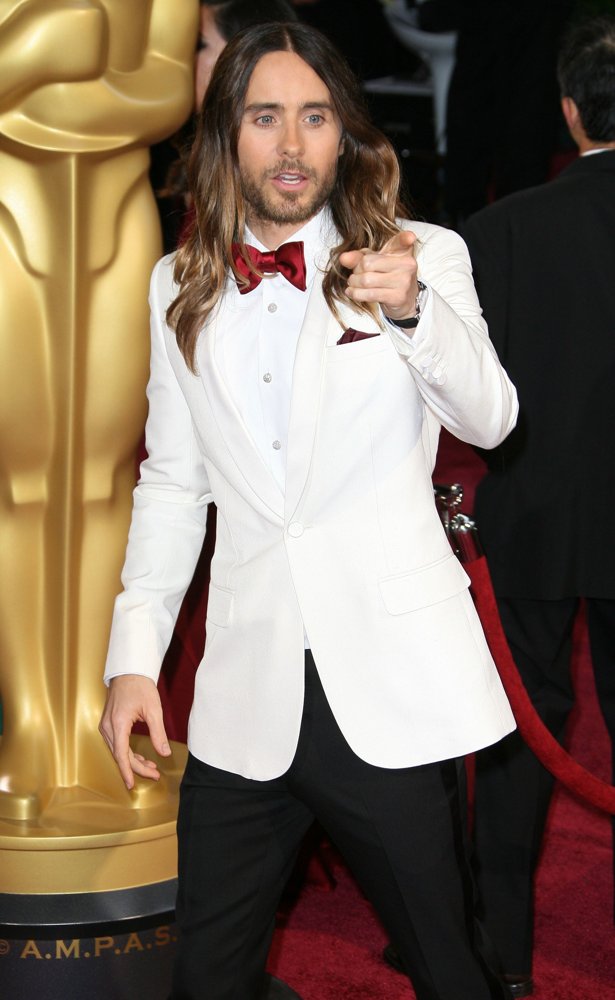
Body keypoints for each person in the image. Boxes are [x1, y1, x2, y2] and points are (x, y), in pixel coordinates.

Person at [99, 21, 519, 1000]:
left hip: (385, 687)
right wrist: (133, 658)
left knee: (448, 968)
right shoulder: (179, 289)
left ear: (345, 136)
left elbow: (493, 421)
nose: (292, 145)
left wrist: (415, 313)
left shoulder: (423, 258)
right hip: (245, 694)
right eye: (265, 117)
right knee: (206, 977)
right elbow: (172, 483)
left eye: (316, 117)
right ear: (225, 137)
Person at [462, 14, 615, 998]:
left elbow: (468, 407)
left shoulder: (502, 231)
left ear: (567, 109)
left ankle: (503, 959)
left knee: (518, 743)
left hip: (531, 520)